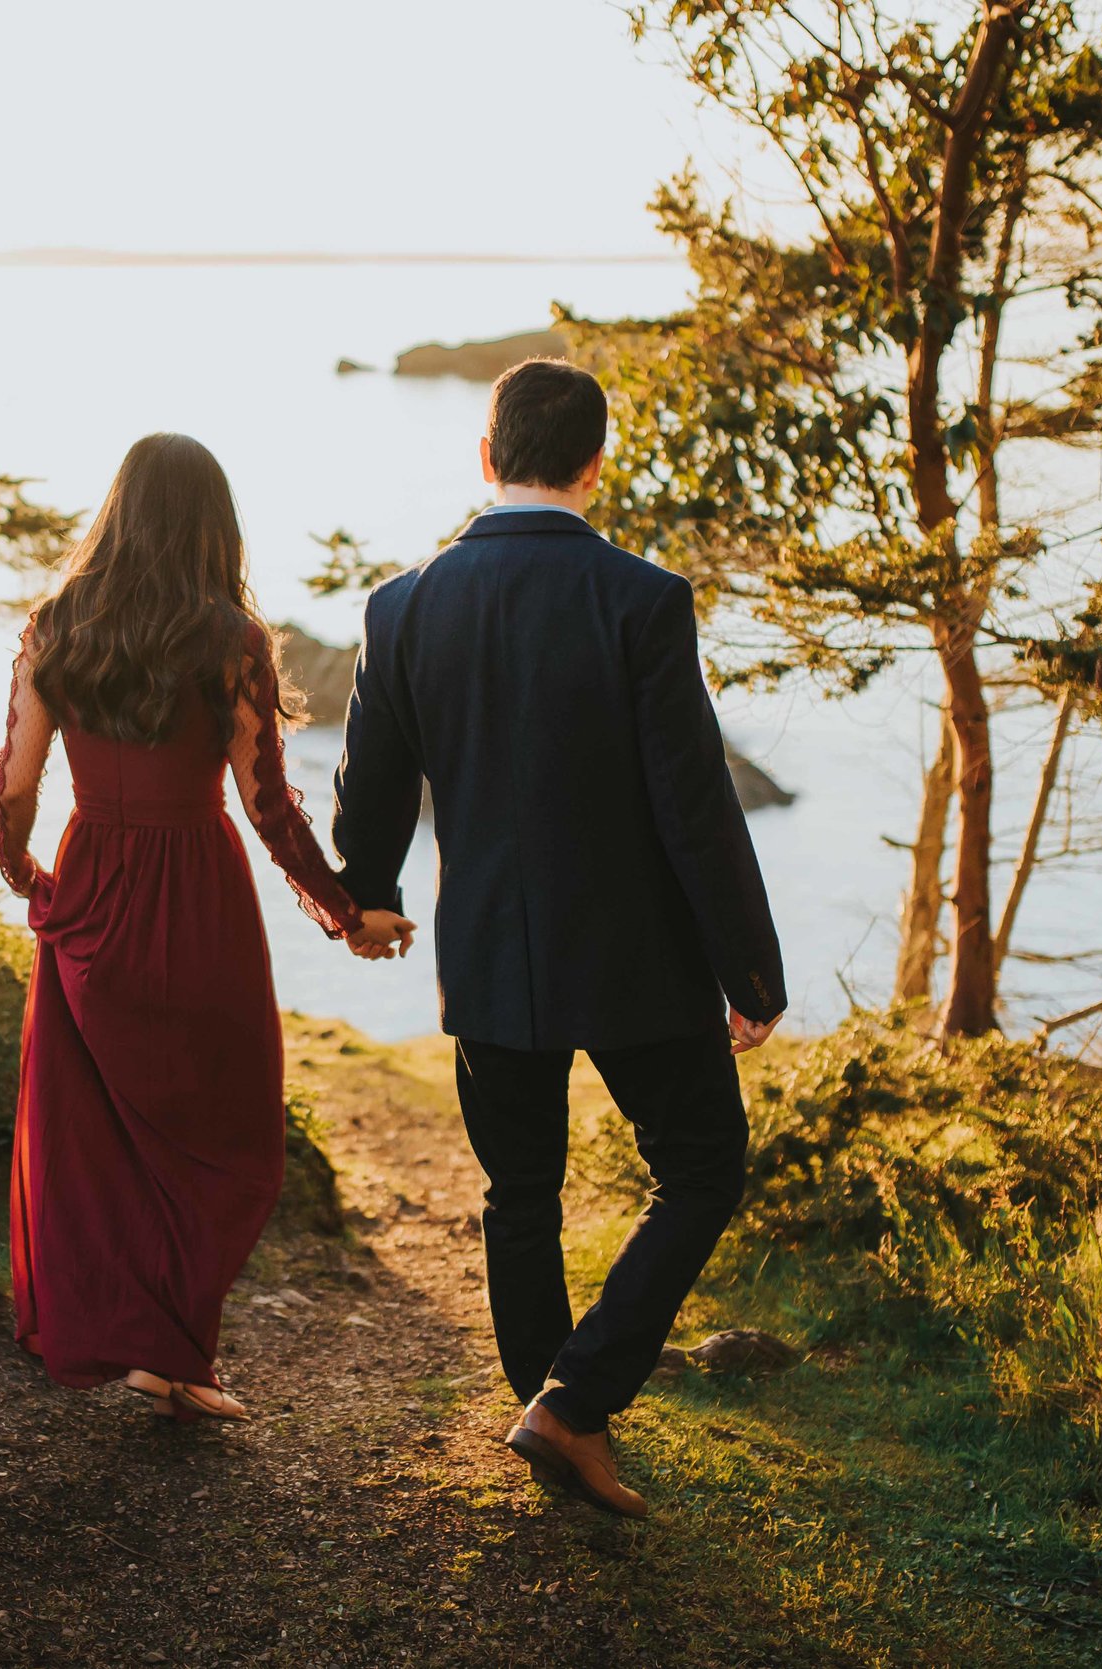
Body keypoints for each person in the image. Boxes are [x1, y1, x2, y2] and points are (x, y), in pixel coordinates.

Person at [330, 359, 785, 1516]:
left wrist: (367, 891)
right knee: (702, 1167)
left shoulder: (401, 604)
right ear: (595, 464)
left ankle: (553, 1403)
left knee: (517, 1190)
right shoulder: (640, 599)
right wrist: (748, 969)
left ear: (485, 457)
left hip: (487, 950)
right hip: (635, 957)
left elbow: (370, 781)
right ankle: (571, 1406)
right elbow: (692, 800)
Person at [0, 432, 414, 1424]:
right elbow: (268, 803)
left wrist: (32, 883)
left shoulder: (55, 627)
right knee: (221, 1132)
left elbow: (13, 786)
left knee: (107, 1134)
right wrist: (345, 913)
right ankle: (176, 1356)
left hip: (91, 886)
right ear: (212, 523)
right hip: (197, 896)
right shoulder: (232, 639)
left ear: (116, 511)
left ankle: (161, 1354)